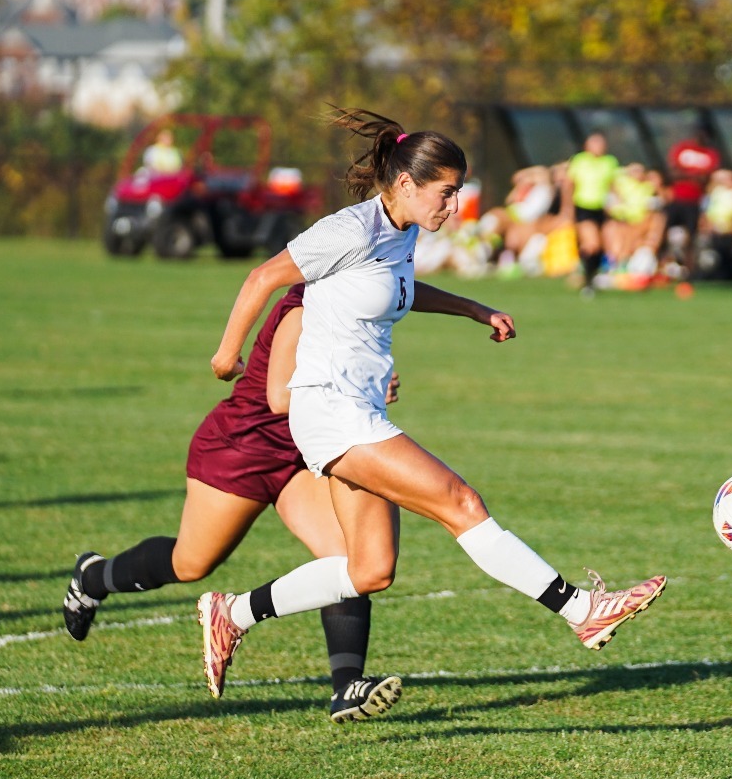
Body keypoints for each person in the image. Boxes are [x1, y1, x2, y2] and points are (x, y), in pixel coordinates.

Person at [196, 108, 667, 694]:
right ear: (405, 183)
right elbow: (263, 277)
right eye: (446, 192)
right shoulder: (349, 230)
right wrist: (227, 354)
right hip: (331, 413)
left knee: (371, 570)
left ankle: (233, 613)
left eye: (458, 191)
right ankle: (581, 610)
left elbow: (398, 289)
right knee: (461, 502)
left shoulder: (402, 230)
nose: (455, 205)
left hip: (359, 411)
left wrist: (473, 309)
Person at [64, 283, 404, 722]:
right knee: (191, 563)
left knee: (347, 562)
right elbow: (280, 397)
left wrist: (472, 310)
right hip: (243, 449)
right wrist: (361, 384)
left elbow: (407, 290)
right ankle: (93, 577)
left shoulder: (358, 298)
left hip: (301, 454)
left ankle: (346, 688)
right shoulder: (305, 308)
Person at [564, 132, 619, 293]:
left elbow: (613, 186)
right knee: (591, 244)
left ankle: (593, 276)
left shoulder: (609, 162)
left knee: (604, 246)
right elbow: (569, 185)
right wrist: (567, 209)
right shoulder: (579, 161)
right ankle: (587, 281)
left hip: (602, 209)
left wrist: (618, 204)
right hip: (584, 207)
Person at [665, 127, 721, 277]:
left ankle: (689, 270)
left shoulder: (710, 154)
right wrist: (694, 175)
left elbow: (706, 178)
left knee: (691, 237)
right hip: (677, 199)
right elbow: (673, 172)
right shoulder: (682, 149)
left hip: (694, 202)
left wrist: (688, 174)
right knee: (666, 233)